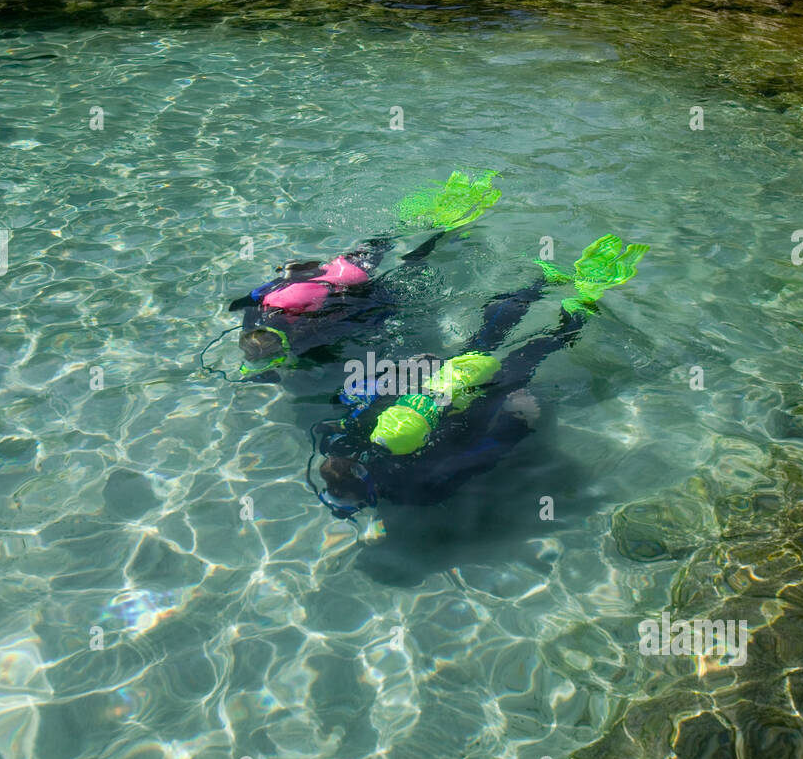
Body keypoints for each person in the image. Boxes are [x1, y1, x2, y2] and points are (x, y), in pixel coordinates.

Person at [310, 235, 648, 516]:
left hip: (470, 403)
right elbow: (358, 395)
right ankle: (546, 283)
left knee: (526, 352)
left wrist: (516, 423)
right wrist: (402, 372)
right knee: (490, 336)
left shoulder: (413, 489)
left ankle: (576, 301)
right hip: (441, 385)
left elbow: (477, 458)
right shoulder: (348, 439)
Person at [203, 171, 502, 383]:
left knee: (414, 265)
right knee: (385, 239)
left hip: (351, 284)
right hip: (335, 270)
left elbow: (345, 322)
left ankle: (448, 233)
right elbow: (254, 299)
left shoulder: (300, 339)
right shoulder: (255, 318)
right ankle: (421, 218)